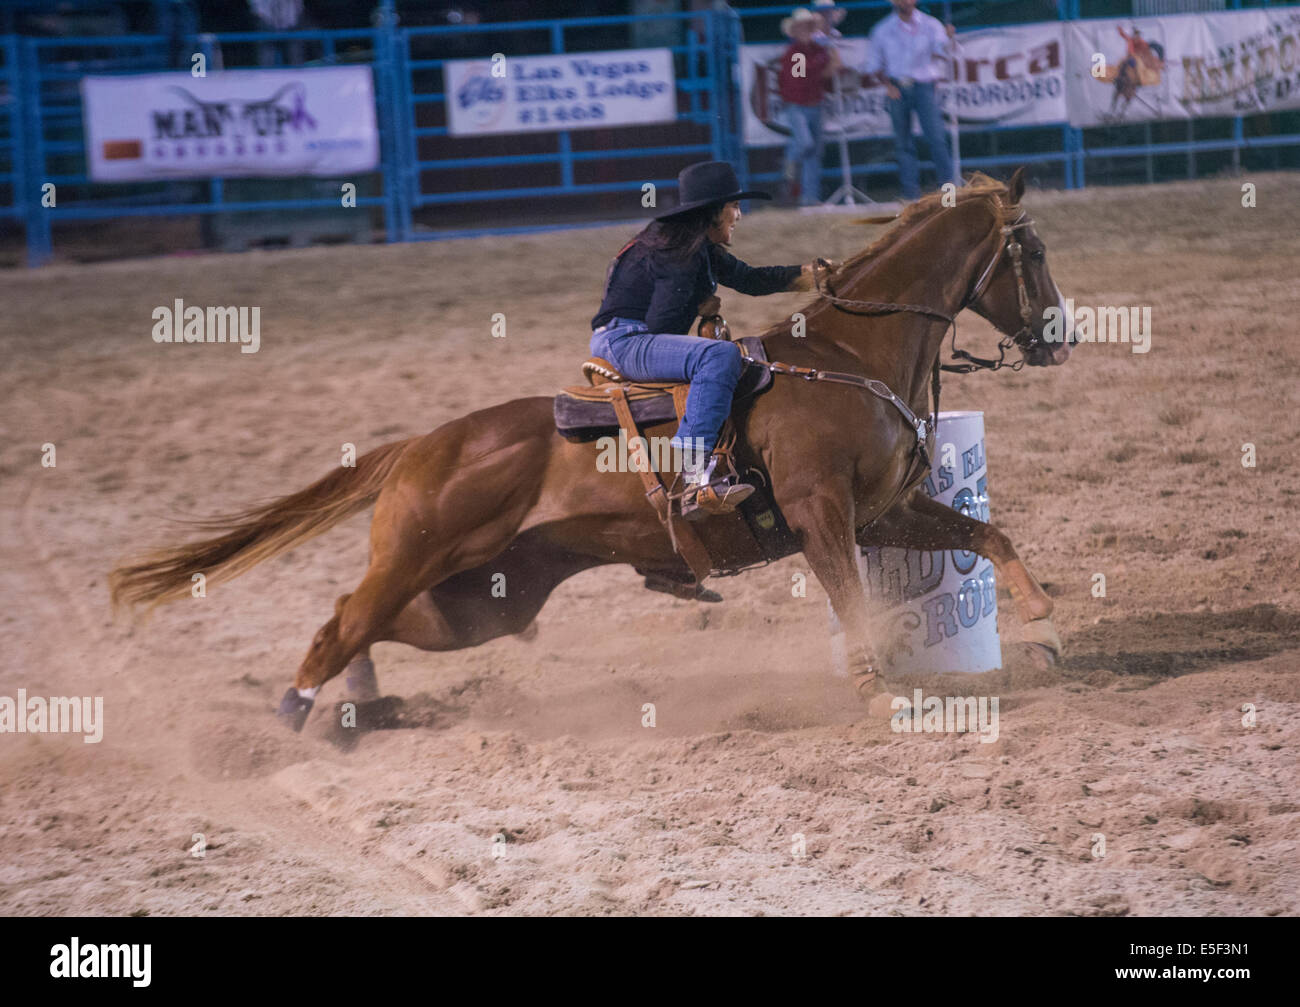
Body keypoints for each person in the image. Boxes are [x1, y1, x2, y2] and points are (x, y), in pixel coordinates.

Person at [591, 161, 837, 518]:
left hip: (625, 337)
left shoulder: (692, 247)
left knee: (719, 356)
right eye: (733, 207)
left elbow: (750, 280)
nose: (738, 214)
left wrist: (810, 275)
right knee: (719, 357)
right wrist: (697, 303)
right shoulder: (682, 258)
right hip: (626, 342)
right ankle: (694, 476)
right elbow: (661, 327)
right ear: (713, 213)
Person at [865, 0, 959, 201]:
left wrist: (948, 40)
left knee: (936, 139)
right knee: (903, 143)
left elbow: (944, 53)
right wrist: (888, 85)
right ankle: (910, 194)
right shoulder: (881, 30)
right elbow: (874, 64)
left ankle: (948, 192)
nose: (904, 1)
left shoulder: (931, 25)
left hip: (924, 85)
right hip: (898, 86)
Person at [778, 8, 840, 206]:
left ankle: (809, 197)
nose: (805, 31)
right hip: (799, 104)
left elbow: (824, 71)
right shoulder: (795, 53)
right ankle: (789, 162)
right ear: (795, 31)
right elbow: (802, 80)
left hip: (814, 103)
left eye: (808, 27)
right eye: (801, 28)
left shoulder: (816, 51)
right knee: (806, 144)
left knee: (813, 151)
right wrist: (823, 71)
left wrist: (824, 70)